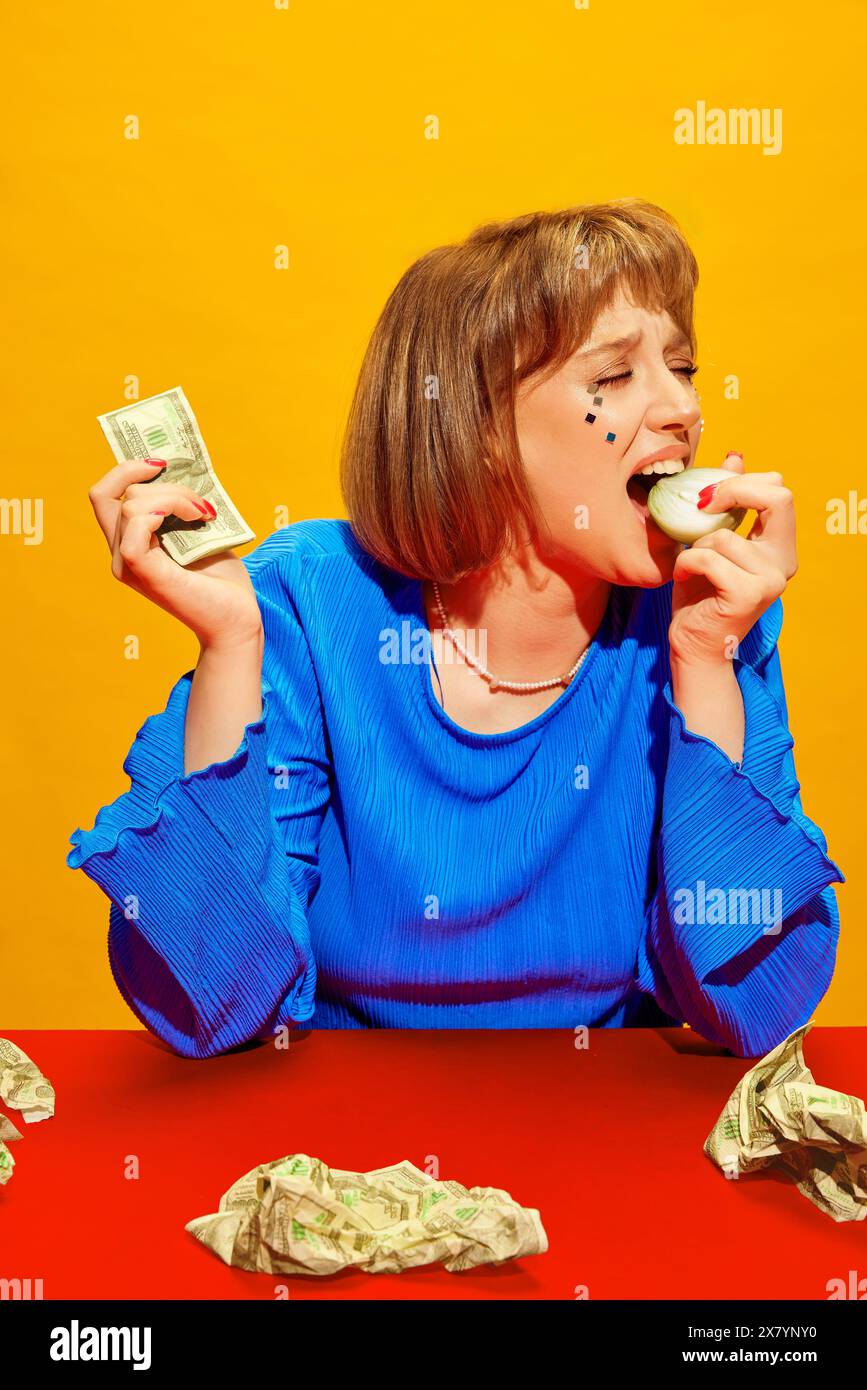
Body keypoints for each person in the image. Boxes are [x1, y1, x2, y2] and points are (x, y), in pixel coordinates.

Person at [68, 199, 844, 1060]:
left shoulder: (700, 617)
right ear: (477, 430)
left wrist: (704, 659)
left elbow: (752, 1011)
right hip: (348, 1141)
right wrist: (227, 648)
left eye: (683, 366)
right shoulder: (310, 598)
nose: (681, 411)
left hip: (599, 1132)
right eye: (615, 377)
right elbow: (218, 1006)